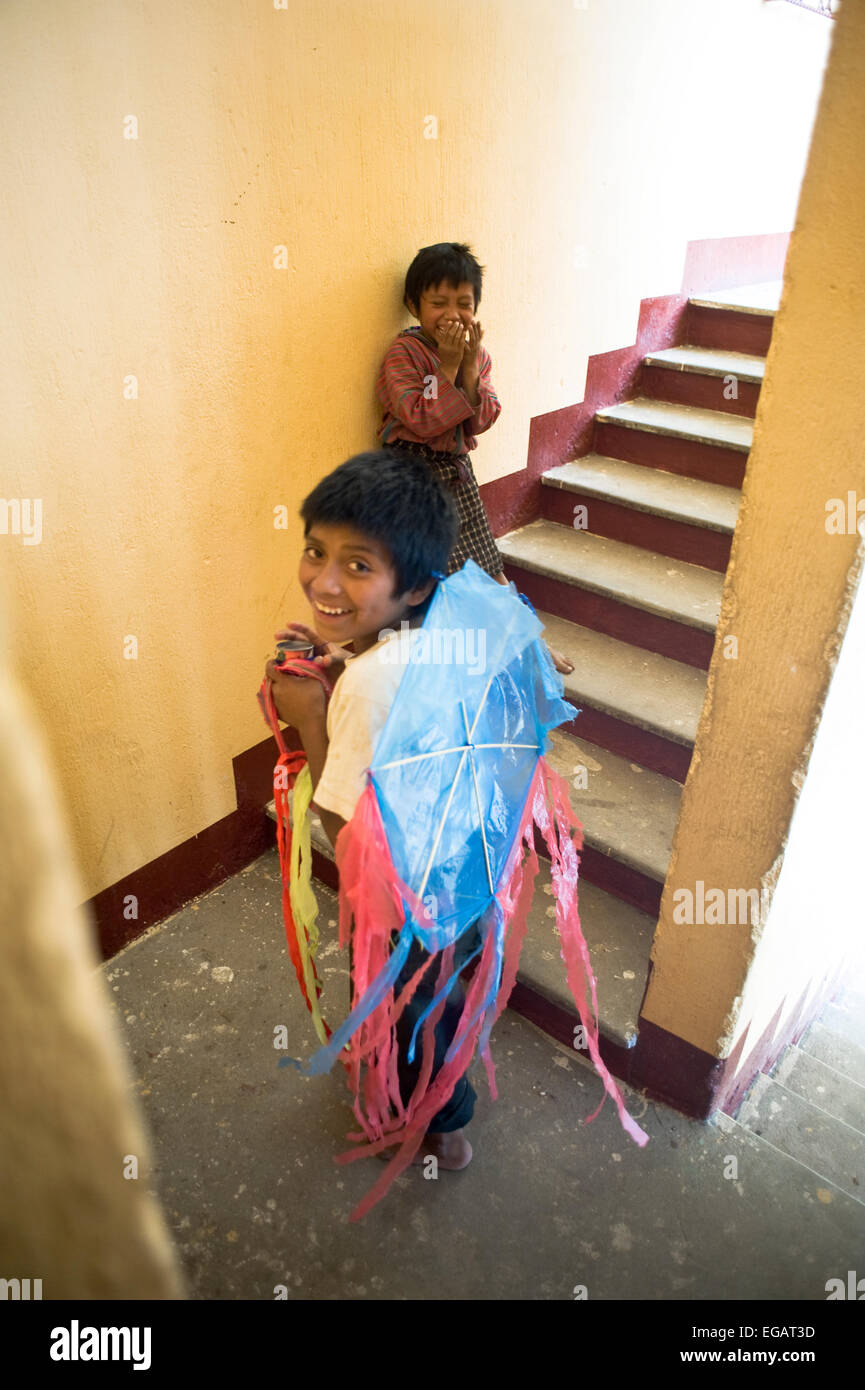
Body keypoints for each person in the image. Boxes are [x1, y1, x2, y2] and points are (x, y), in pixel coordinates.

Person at [263, 450, 482, 1171]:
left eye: (358, 566)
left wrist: (309, 722)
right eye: (315, 551)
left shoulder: (364, 688)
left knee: (408, 1009)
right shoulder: (448, 629)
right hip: (468, 870)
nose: (322, 581)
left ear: (413, 585)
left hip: (403, 893)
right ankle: (430, 1088)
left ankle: (441, 1130)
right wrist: (340, 660)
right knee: (440, 997)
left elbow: (347, 832)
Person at [376, 240, 574, 676]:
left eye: (463, 303)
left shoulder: (477, 355)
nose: (452, 313)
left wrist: (465, 368)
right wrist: (445, 368)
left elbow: (483, 418)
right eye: (438, 302)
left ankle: (532, 644)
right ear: (413, 304)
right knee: (422, 581)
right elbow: (422, 419)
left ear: (476, 306)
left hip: (455, 474)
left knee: (488, 568)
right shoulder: (403, 354)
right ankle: (430, 674)